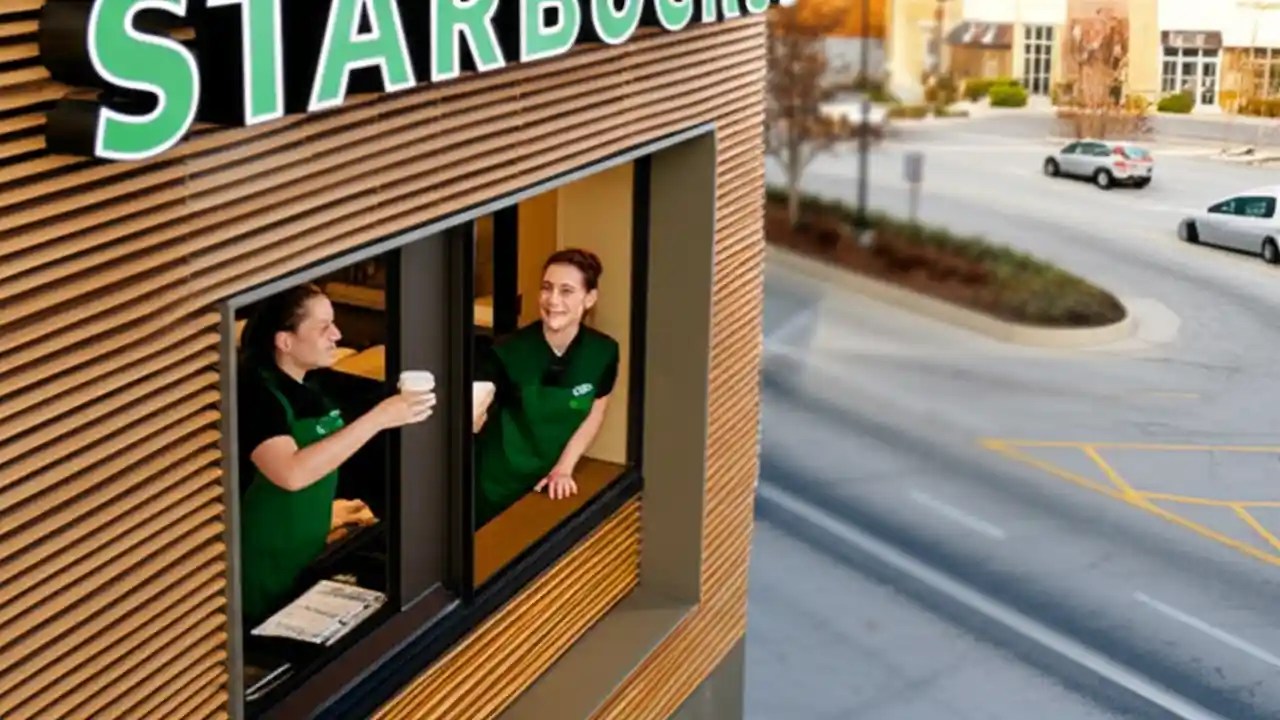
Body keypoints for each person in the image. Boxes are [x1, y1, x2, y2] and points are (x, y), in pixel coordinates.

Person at [236, 282, 435, 625]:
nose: (338, 335)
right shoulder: (255, 396)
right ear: (285, 341)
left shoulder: (315, 383)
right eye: (324, 327)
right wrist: (381, 418)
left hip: (308, 556)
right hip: (260, 571)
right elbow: (291, 473)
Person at [473, 248, 620, 528]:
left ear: (589, 298)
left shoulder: (603, 352)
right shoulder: (507, 353)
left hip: (549, 486)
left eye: (566, 291)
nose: (553, 300)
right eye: (546, 288)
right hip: (495, 487)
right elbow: (472, 415)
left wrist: (565, 467)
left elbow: (595, 412)